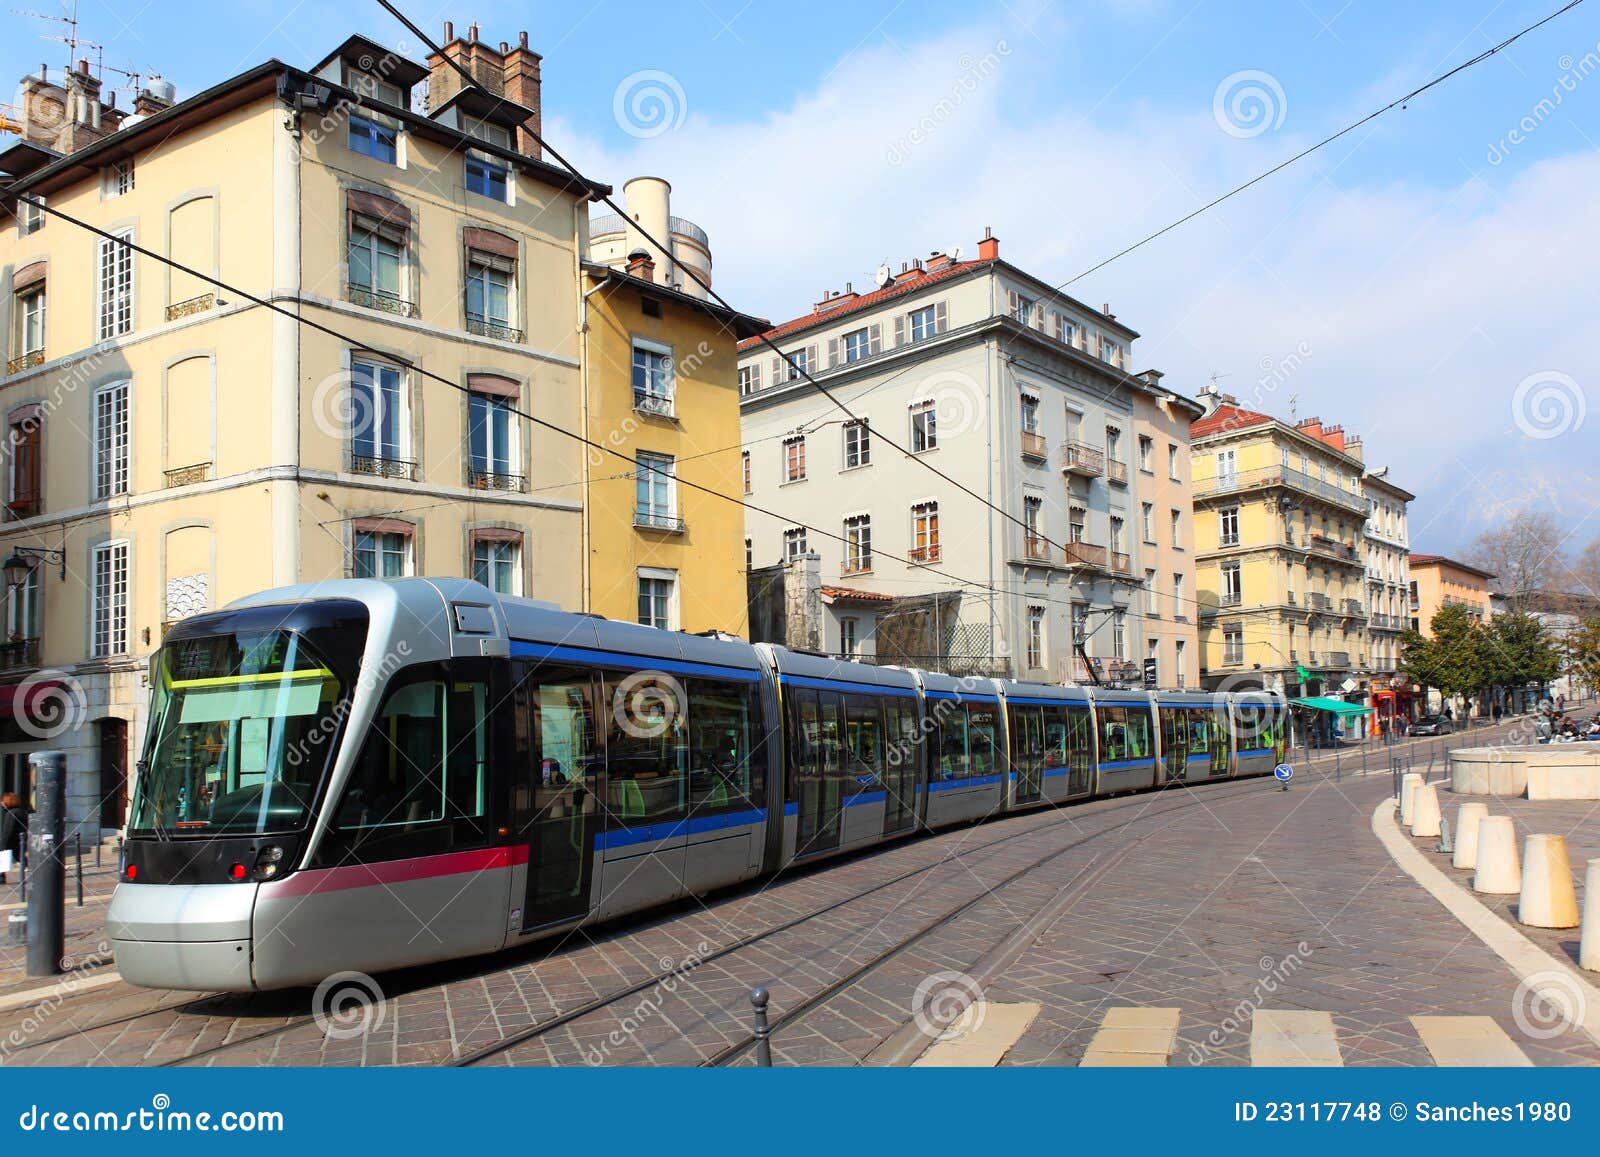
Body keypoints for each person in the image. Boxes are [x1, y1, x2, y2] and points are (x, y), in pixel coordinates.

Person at [0, 792, 26, 885]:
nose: (1, 803)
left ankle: (1, 878)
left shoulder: (11, 814)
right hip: (19, 840)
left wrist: (2, 845)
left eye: (2, 801)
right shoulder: (20, 811)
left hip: (12, 840)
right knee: (21, 858)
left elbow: (8, 830)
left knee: (2, 859)